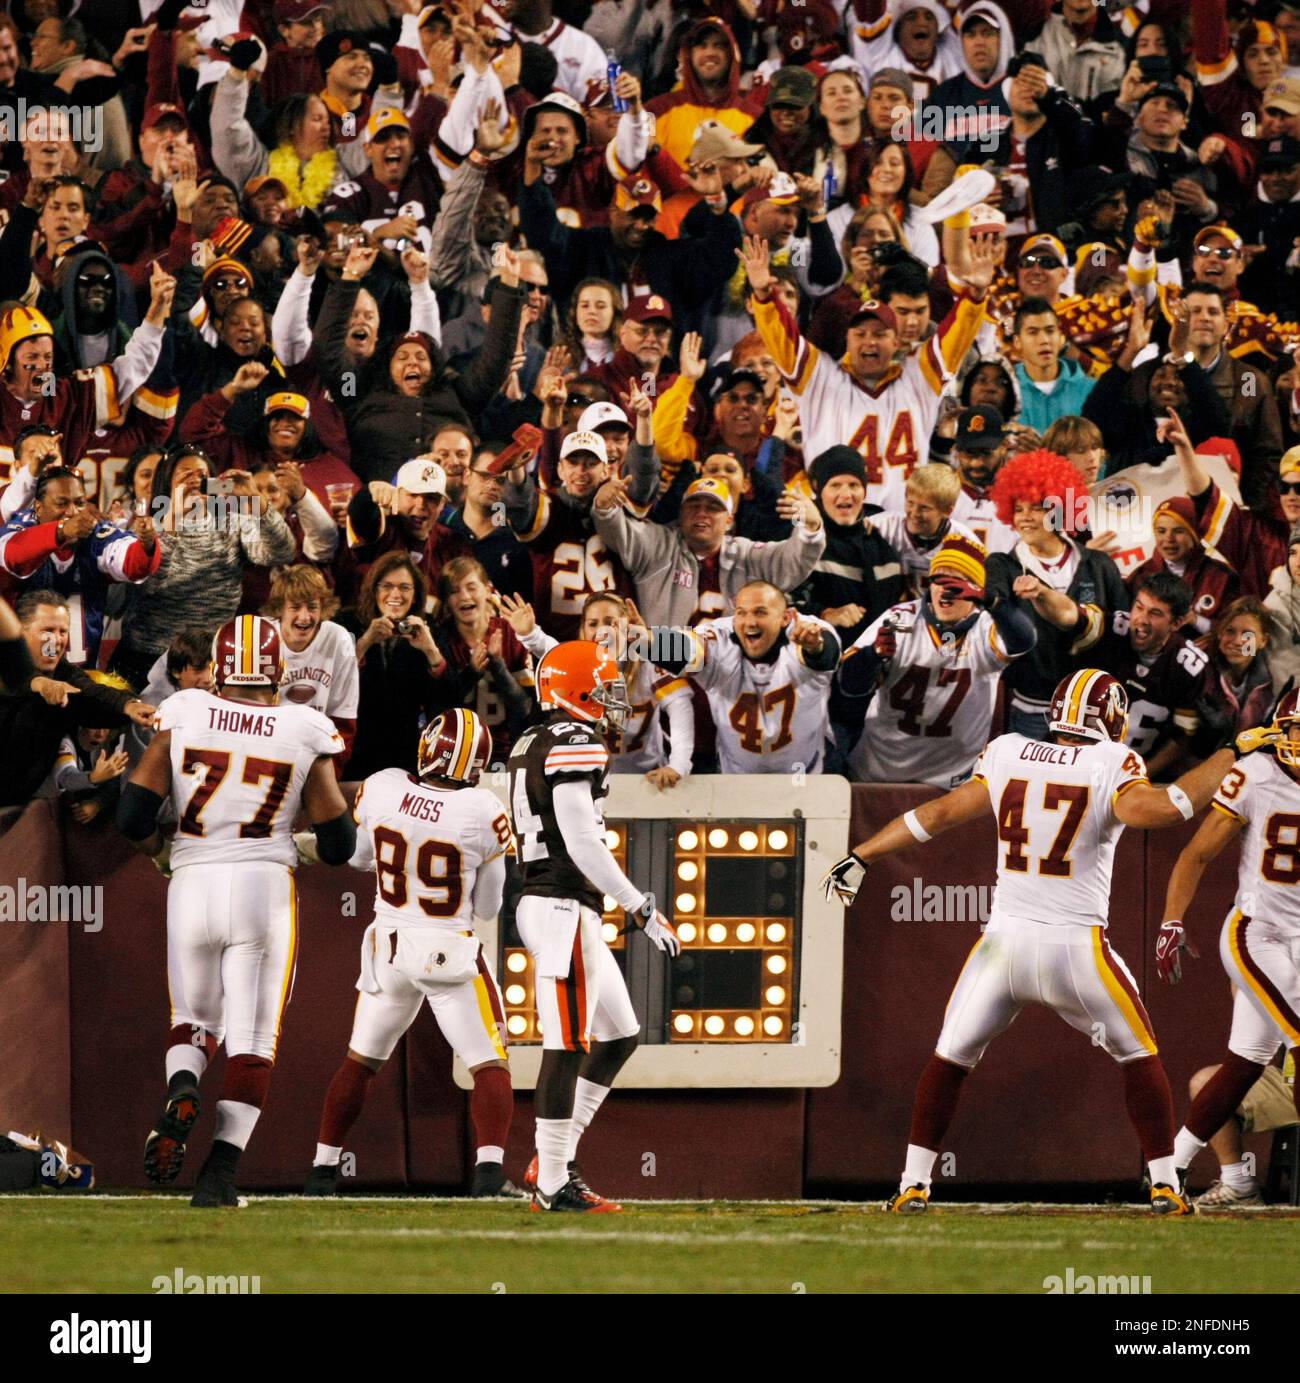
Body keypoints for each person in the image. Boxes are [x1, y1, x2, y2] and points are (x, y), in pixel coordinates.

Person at [822, 667, 1277, 1214]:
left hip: (1002, 948)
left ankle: (914, 1182)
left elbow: (938, 814)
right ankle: (1164, 1182)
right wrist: (1233, 753)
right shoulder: (1112, 762)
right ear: (1110, 717)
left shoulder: (1010, 752)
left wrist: (862, 855)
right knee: (1139, 1056)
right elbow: (1168, 808)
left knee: (949, 1059)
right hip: (1076, 951)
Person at [116, 616, 354, 1209]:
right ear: (278, 672)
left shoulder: (187, 710)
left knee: (194, 1019)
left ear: (220, 668)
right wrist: (301, 846)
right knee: (253, 1038)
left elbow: (132, 817)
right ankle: (218, 1177)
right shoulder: (304, 726)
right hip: (262, 886)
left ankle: (184, 1084)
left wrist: (160, 853)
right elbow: (341, 842)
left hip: (192, 878)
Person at [301, 708, 522, 1200]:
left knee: (359, 1062)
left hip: (388, 947)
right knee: (490, 1063)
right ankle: (488, 1174)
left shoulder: (382, 786)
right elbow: (488, 904)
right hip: (447, 948)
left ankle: (321, 1170)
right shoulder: (483, 808)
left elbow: (358, 858)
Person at [507, 640, 680, 1211]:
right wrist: (639, 905)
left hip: (555, 903)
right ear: (576, 689)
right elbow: (582, 840)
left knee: (620, 1033)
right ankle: (554, 1182)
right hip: (560, 903)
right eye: (604, 690)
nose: (613, 703)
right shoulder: (576, 741)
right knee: (567, 1042)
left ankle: (553, 1157)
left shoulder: (535, 737)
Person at [740, 229, 998, 512]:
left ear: (897, 340)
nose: (869, 341)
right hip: (833, 527)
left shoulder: (919, 376)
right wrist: (764, 295)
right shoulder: (818, 377)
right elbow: (782, 339)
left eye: (879, 333)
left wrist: (975, 296)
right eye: (860, 333)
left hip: (905, 527)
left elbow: (956, 337)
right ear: (847, 339)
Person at [1159, 689, 1300, 1203]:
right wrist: (1172, 921)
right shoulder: (1257, 774)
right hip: (1257, 932)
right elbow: (1198, 853)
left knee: (1245, 1059)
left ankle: (1168, 1168)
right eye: (1296, 731)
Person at [836, 535, 1037, 788]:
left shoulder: (987, 627)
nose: (946, 588)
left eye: (957, 582)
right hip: (881, 768)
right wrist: (871, 657)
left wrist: (993, 601)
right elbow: (848, 686)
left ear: (975, 590)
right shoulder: (899, 620)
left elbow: (1025, 640)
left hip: (952, 778)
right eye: (938, 579)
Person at [658, 581, 840, 775]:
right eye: (741, 612)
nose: (750, 622)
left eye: (760, 612)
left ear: (786, 617)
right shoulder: (723, 635)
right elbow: (688, 652)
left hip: (805, 773)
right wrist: (642, 641)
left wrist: (814, 646)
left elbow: (825, 655)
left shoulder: (804, 630)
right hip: (737, 777)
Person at [1093, 572, 1210, 779]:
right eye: (1139, 607)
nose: (1142, 619)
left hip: (1136, 767)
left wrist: (1138, 777)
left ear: (1176, 623)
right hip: (1085, 757)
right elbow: (1070, 617)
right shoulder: (1112, 631)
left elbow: (1181, 737)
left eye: (1155, 613)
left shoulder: (1188, 666)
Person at [265, 564, 359, 764]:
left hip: (317, 755)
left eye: (312, 606)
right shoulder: (260, 638)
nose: (305, 616)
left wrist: (328, 774)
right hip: (267, 750)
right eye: (295, 607)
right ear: (280, 608)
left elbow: (344, 719)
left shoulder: (338, 639)